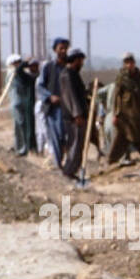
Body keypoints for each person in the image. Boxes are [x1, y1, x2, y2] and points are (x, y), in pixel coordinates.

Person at [107, 52, 140, 166]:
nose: (129, 65)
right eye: (126, 63)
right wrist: (116, 114)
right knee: (121, 138)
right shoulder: (121, 79)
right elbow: (117, 98)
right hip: (125, 116)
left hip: (139, 115)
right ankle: (112, 160)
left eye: (131, 62)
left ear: (134, 63)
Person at [36, 37, 71, 169]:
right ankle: (58, 165)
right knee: (56, 137)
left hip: (68, 108)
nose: (63, 51)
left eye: (65, 48)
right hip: (54, 109)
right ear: (55, 50)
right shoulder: (49, 67)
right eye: (60, 48)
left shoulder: (69, 67)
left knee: (66, 138)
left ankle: (67, 164)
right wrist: (50, 97)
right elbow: (40, 86)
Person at [58, 47, 90, 180]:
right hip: (74, 118)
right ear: (75, 60)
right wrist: (77, 114)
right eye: (80, 60)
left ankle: (73, 170)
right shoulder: (67, 75)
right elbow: (70, 96)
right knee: (75, 145)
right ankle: (68, 171)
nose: (82, 63)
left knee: (79, 145)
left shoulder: (73, 74)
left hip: (78, 116)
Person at [8, 54, 37, 156]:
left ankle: (29, 147)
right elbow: (19, 71)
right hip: (22, 104)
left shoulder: (37, 76)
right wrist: (24, 63)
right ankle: (24, 148)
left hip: (32, 105)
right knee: (23, 126)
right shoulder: (22, 76)